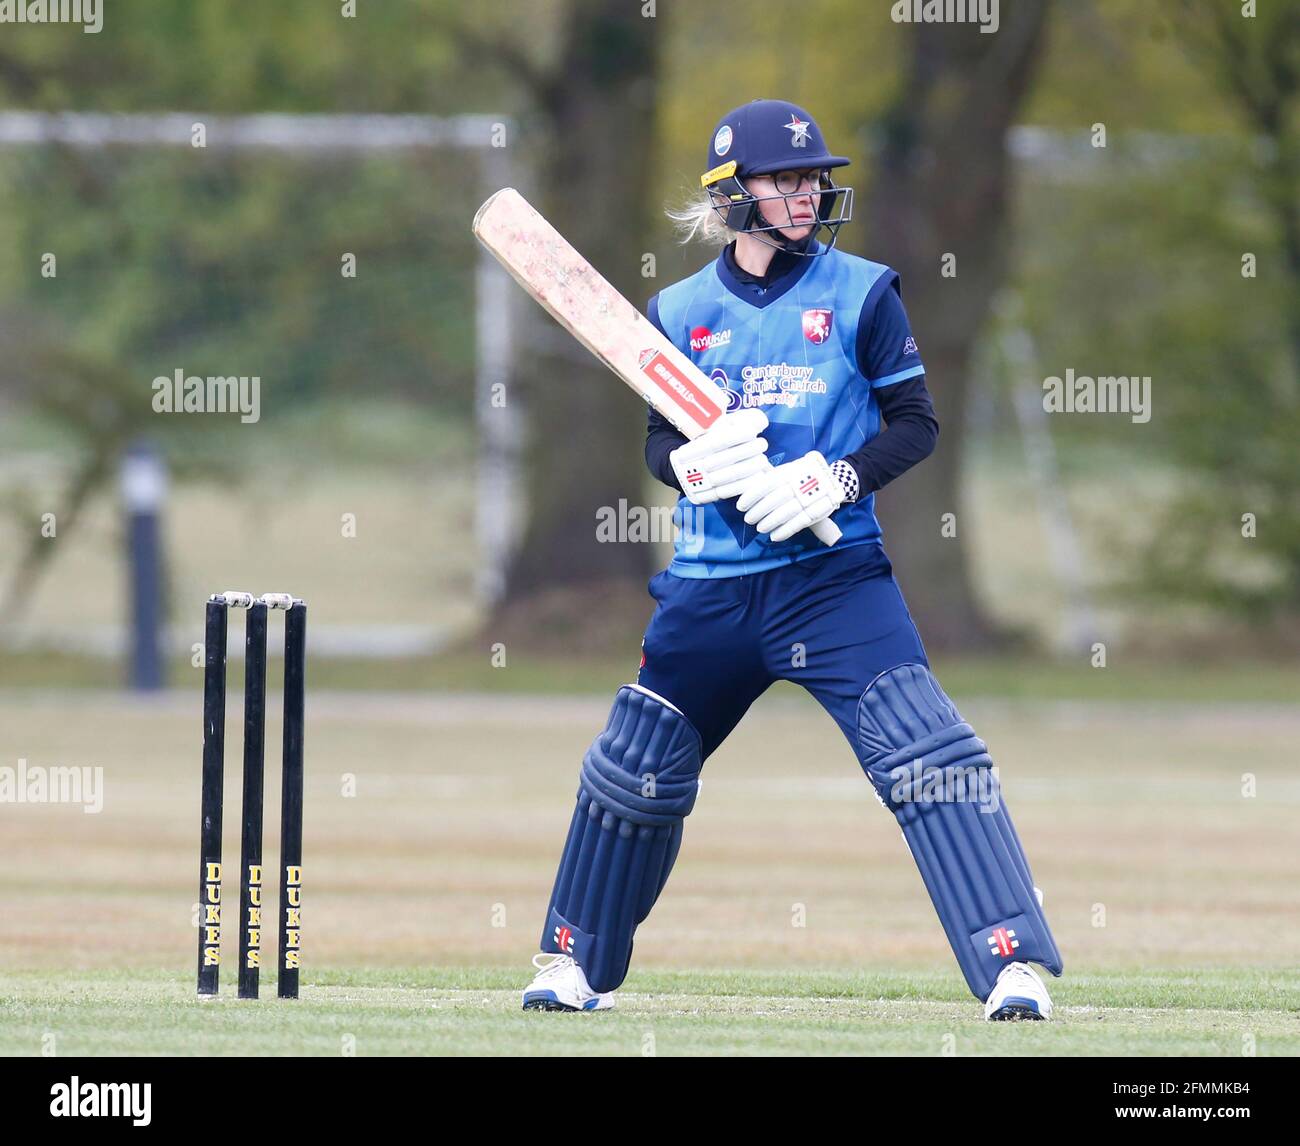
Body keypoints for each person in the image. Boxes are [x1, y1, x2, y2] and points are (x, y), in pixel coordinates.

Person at [521, 99, 1061, 1021]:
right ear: (735, 194)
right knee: (633, 767)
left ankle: (1012, 963)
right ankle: (570, 961)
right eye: (785, 178)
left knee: (928, 753)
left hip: (834, 583)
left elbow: (917, 426)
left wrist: (834, 482)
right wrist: (684, 463)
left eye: (813, 176)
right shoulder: (679, 310)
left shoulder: (862, 293)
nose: (807, 192)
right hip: (710, 589)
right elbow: (659, 442)